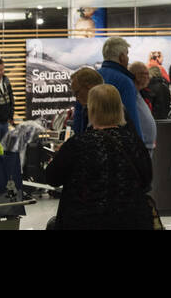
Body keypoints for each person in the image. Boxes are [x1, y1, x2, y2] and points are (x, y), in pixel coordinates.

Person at [42, 84, 153, 230]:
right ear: (120, 108)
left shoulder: (78, 144)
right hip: (131, 220)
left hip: (83, 221)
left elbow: (52, 178)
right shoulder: (134, 142)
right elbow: (147, 180)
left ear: (91, 109)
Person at [99, 37, 150, 147]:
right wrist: (138, 146)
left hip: (95, 141)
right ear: (122, 57)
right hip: (119, 145)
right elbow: (131, 118)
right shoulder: (125, 81)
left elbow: (80, 114)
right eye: (127, 55)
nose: (127, 58)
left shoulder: (93, 77)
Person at [128, 62, 158, 157]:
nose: (148, 77)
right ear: (137, 76)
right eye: (145, 73)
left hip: (147, 145)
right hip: (140, 146)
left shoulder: (141, 93)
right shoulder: (131, 94)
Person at [69, 67, 104, 137]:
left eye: (77, 92)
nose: (76, 98)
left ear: (90, 87)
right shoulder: (86, 108)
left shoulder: (109, 110)